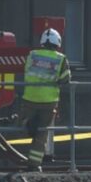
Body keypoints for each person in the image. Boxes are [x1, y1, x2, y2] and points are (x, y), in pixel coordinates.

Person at [17, 26, 71, 165]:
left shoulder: (32, 55)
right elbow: (66, 78)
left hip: (29, 98)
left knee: (20, 123)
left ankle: (27, 123)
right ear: (57, 43)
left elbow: (26, 71)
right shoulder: (61, 58)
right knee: (42, 133)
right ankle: (34, 164)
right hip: (49, 101)